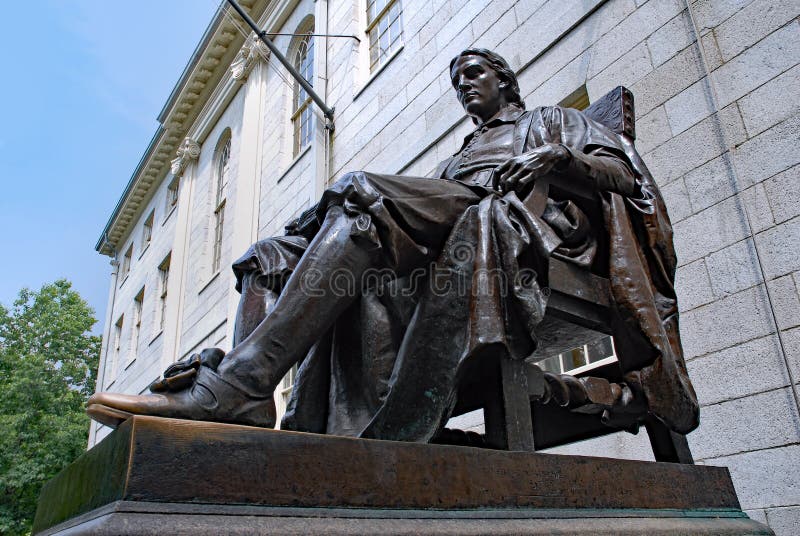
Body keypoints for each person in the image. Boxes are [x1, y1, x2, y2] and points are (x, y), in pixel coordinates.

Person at [88, 49, 698, 441]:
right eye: (456, 80)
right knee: (269, 255)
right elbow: (423, 213)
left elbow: (626, 178)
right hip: (455, 231)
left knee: (361, 193)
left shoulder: (549, 121)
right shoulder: (457, 158)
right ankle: (248, 403)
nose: (464, 85)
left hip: (519, 230)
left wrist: (558, 157)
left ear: (505, 80)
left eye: (474, 74)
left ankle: (240, 383)